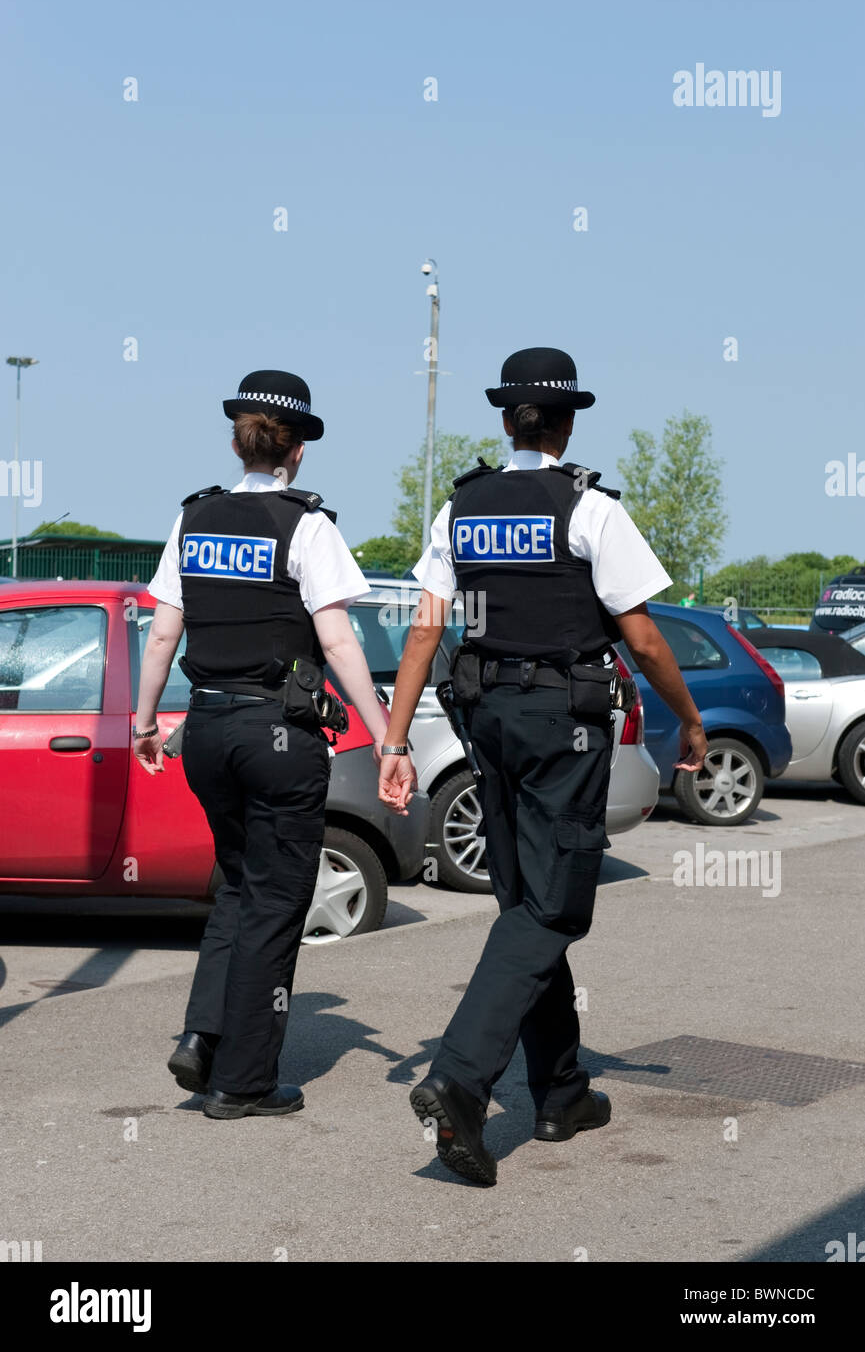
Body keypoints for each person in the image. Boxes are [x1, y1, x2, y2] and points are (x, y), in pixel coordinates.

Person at [378, 346, 708, 1185]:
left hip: (483, 718)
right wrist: (691, 721)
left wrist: (391, 738)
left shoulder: (461, 506)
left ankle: (559, 1094)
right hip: (563, 724)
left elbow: (424, 629)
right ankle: (458, 1079)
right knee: (553, 909)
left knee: (527, 903)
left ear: (504, 420)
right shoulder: (589, 508)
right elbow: (642, 637)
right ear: (566, 422)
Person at [134, 368, 393, 1119]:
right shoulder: (306, 524)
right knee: (279, 899)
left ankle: (203, 1036)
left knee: (239, 887)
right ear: (298, 450)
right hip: (278, 733)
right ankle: (241, 1084)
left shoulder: (196, 516)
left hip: (206, 729)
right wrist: (386, 737)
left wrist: (147, 721)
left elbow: (163, 633)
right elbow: (340, 644)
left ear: (238, 439)